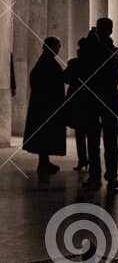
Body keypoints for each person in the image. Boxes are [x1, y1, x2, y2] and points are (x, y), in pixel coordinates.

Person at [80, 18, 118, 192]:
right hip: (105, 98)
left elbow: (113, 59)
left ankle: (98, 175)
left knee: (97, 141)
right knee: (107, 141)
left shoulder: (106, 51)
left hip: (95, 98)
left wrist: (95, 44)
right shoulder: (98, 50)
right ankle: (108, 176)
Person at [23, 37, 67, 180]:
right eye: (57, 46)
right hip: (47, 106)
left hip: (43, 105)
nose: (58, 49)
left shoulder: (44, 61)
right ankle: (43, 163)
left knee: (44, 135)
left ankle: (44, 162)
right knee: (46, 134)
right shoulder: (48, 63)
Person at [64, 38, 91, 171]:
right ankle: (91, 160)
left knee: (79, 133)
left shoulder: (74, 63)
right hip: (89, 100)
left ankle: (82, 160)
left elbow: (66, 79)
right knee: (90, 134)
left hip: (76, 99)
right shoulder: (93, 63)